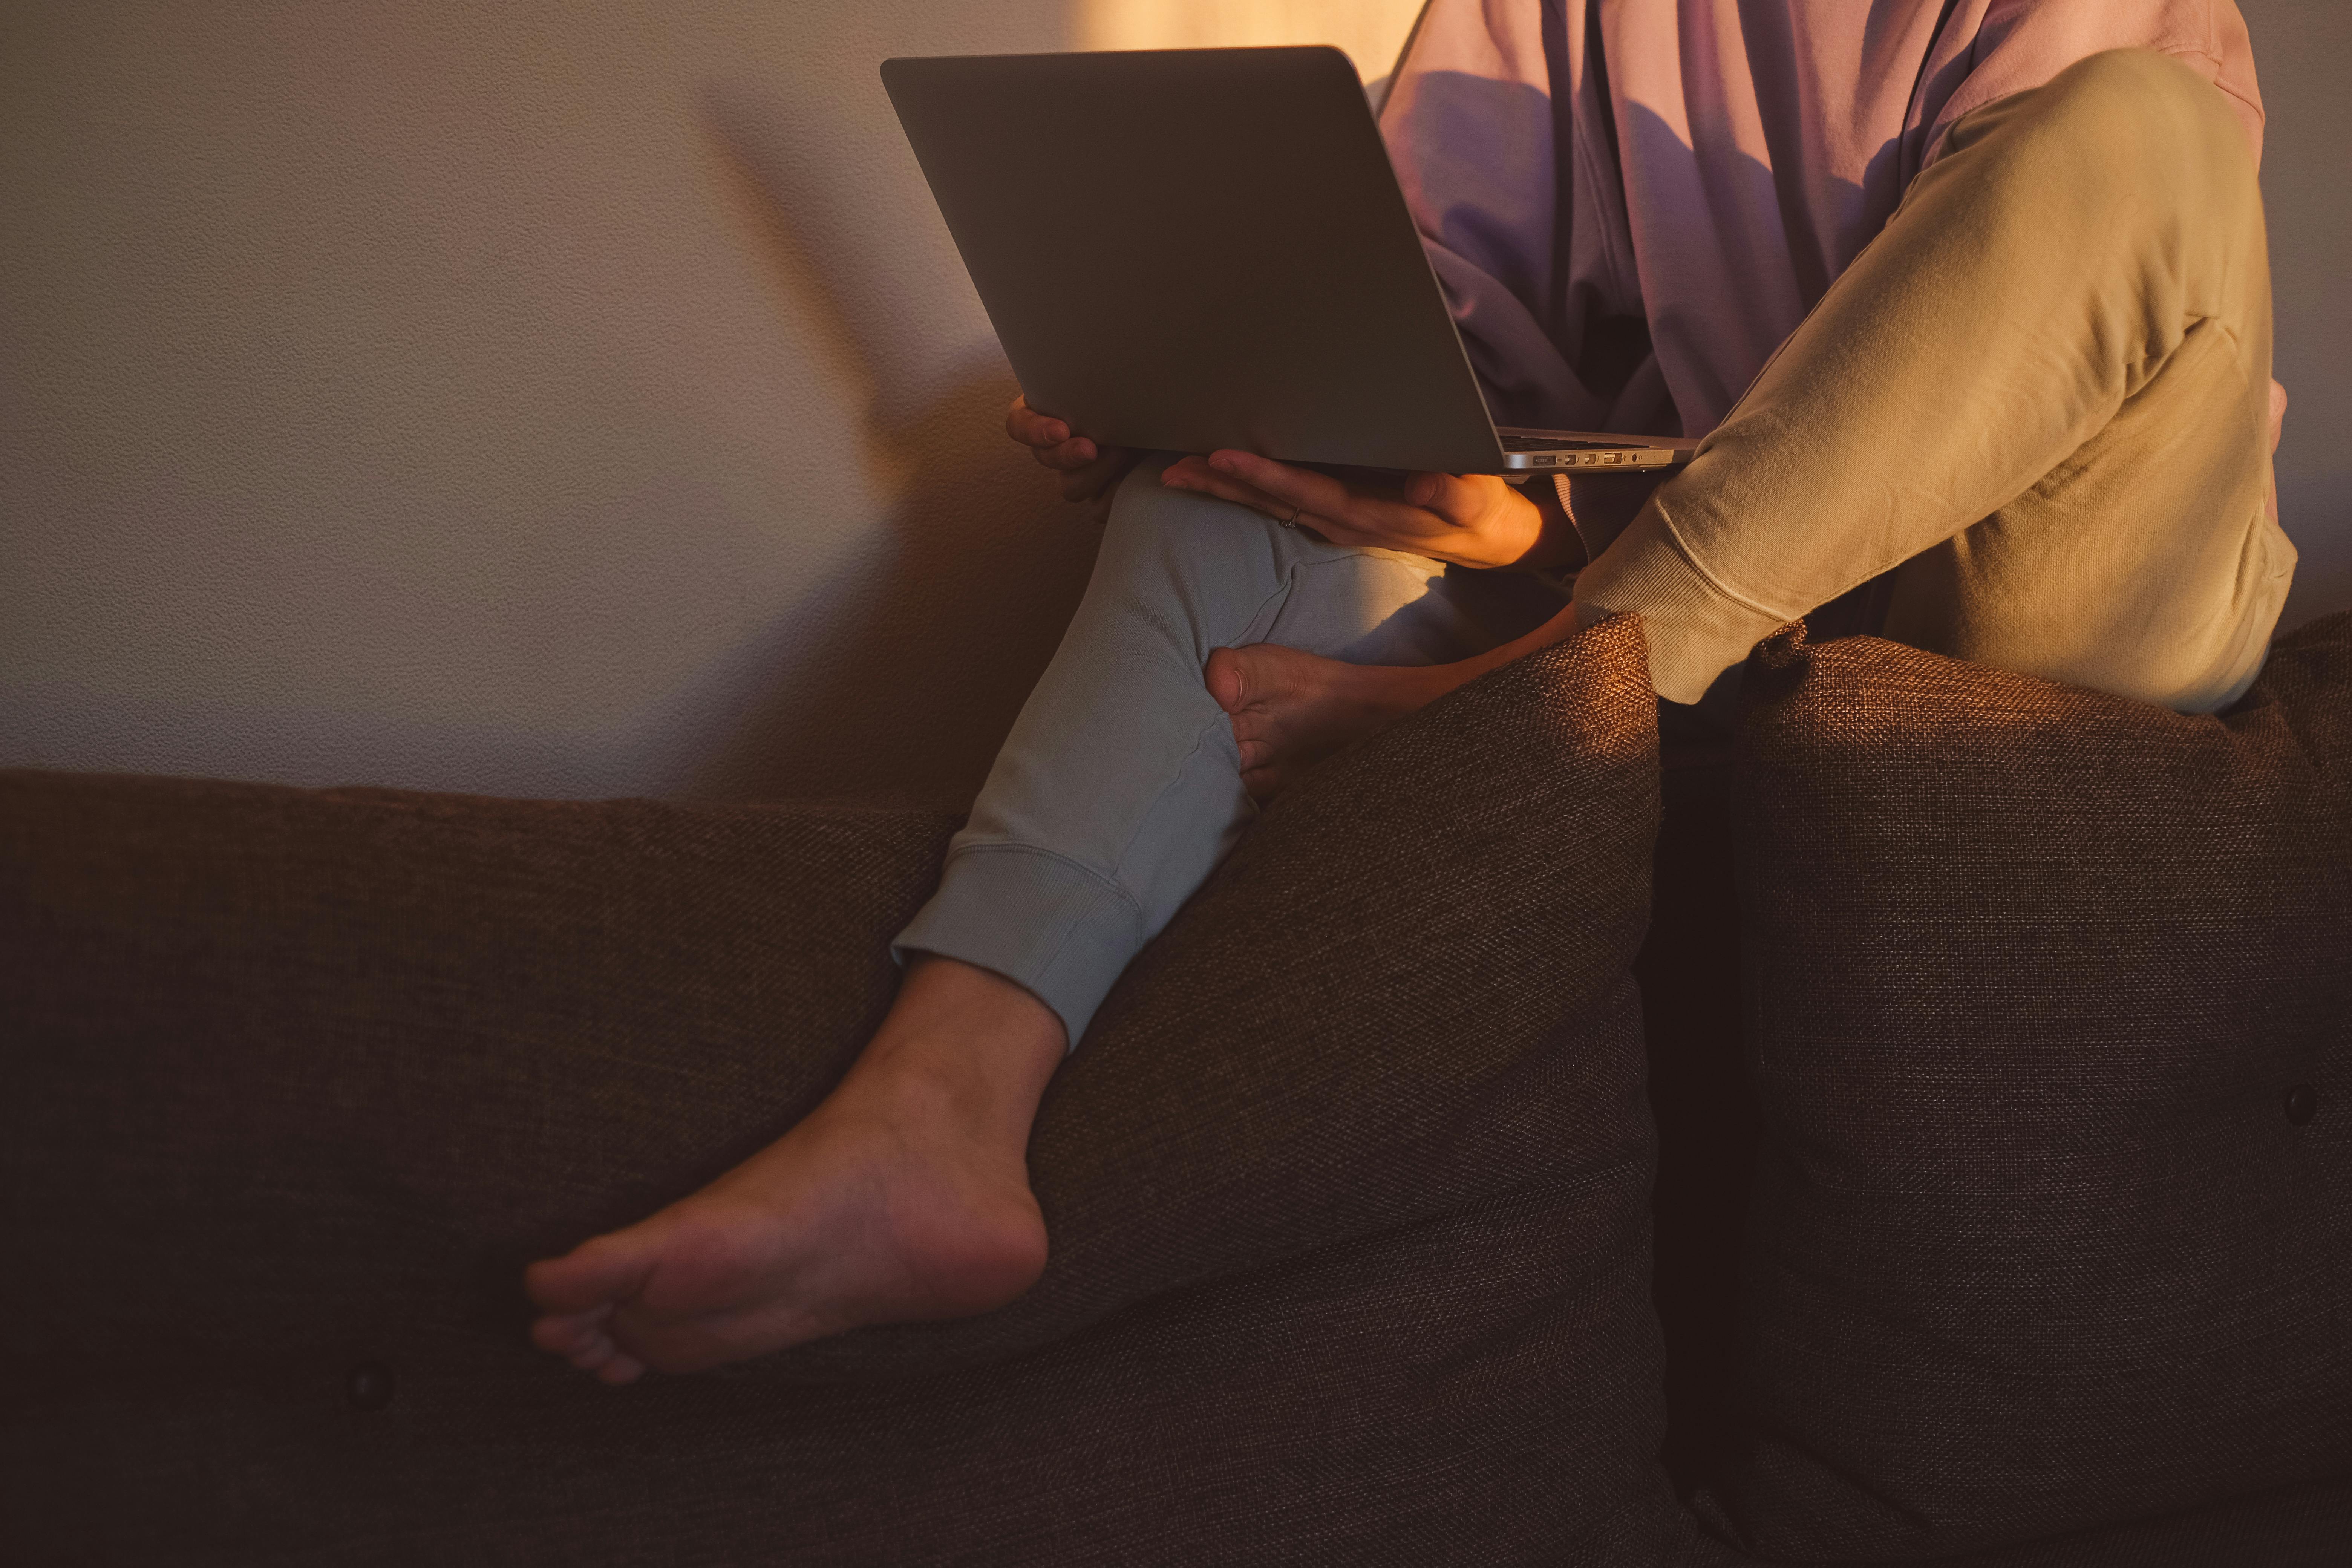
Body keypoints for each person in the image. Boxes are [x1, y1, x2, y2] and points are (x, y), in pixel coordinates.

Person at [525, 1, 2294, 1384]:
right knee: (1249, 464)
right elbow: (1462, 342)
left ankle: (1560, 692)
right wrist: (1238, 393)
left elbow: (2043, 313)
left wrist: (1582, 614)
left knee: (2135, 139)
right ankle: (939, 1103)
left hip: (2072, 600)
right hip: (1697, 598)